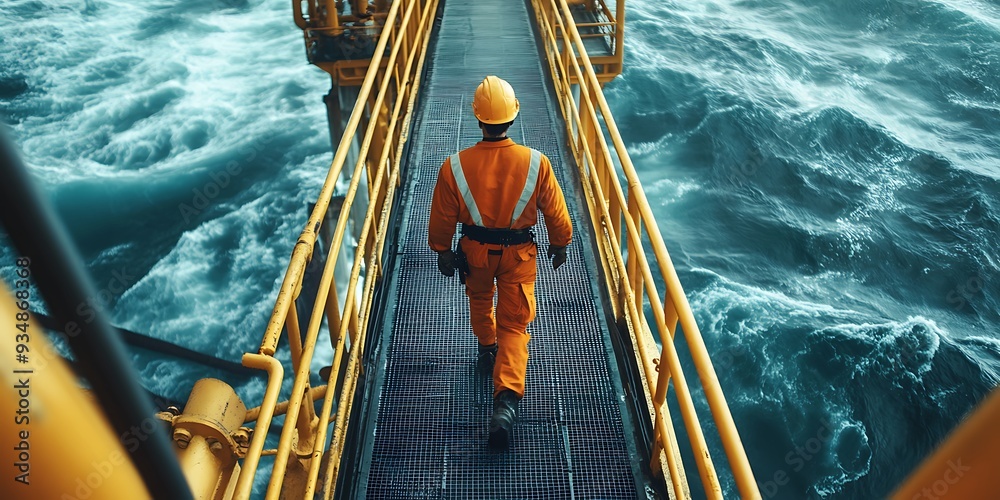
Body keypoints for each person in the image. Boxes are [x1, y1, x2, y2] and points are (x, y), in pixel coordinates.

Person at [428, 75, 573, 450]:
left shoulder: (454, 166)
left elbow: (442, 217)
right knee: (515, 323)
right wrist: (560, 244)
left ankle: (486, 348)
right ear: (514, 115)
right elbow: (556, 213)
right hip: (518, 254)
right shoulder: (536, 163)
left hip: (475, 252)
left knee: (480, 300)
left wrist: (443, 251)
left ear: (477, 117)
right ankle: (506, 400)